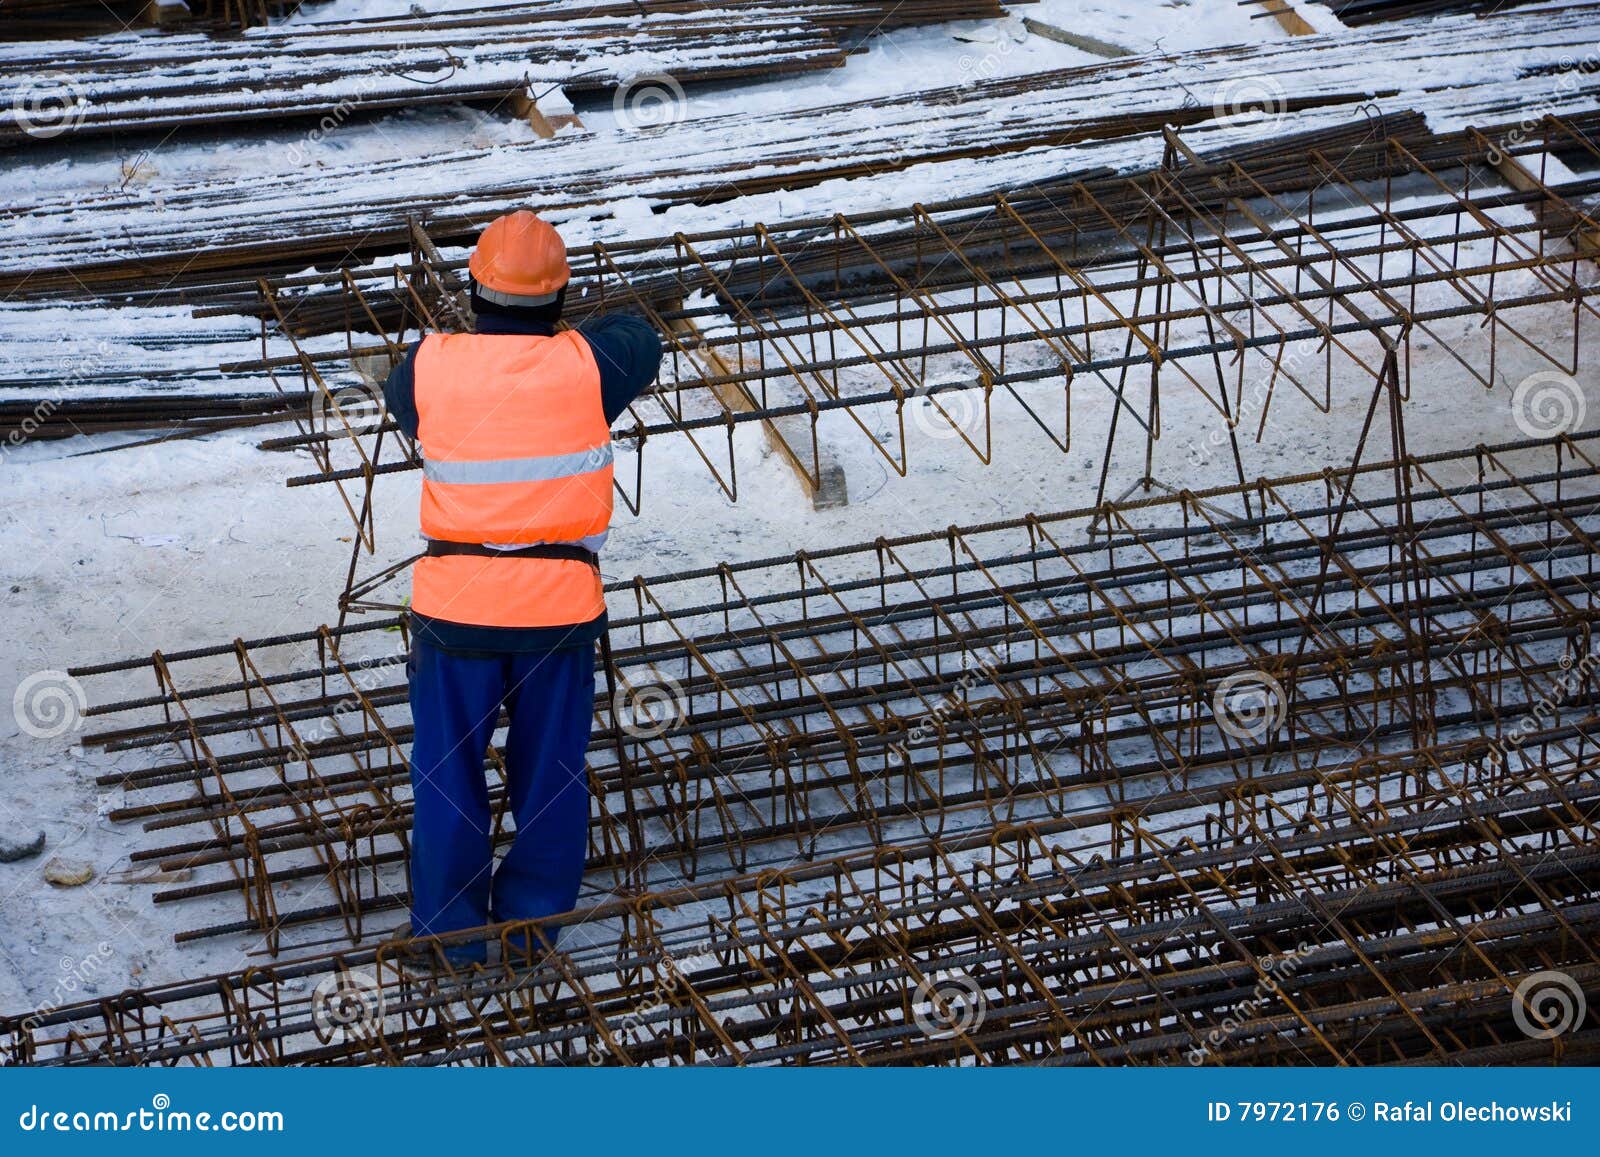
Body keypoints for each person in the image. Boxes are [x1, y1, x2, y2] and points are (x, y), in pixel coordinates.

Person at [381, 209, 662, 963]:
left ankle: (451, 935)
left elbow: (399, 397)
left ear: (474, 292)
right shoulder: (590, 367)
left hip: (457, 612)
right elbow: (644, 337)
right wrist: (577, 330)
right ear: (559, 300)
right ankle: (530, 927)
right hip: (557, 615)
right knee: (551, 776)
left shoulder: (428, 367)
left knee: (447, 777)